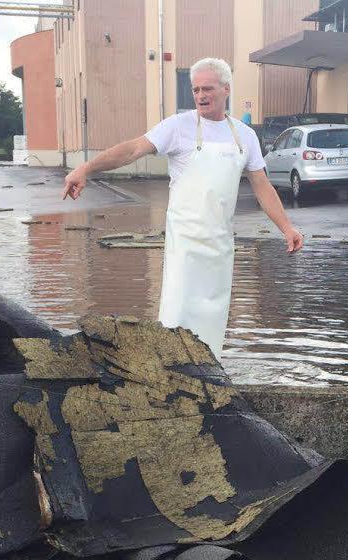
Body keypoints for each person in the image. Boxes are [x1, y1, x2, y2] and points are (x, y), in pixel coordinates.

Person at [63, 57, 303, 357]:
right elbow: (133, 150)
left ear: (226, 89)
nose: (201, 96)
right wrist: (86, 168)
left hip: (220, 246)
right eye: (196, 89)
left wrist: (287, 228)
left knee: (213, 322)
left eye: (208, 89)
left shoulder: (245, 135)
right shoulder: (178, 127)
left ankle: (208, 371)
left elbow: (262, 185)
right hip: (184, 245)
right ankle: (170, 373)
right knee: (177, 317)